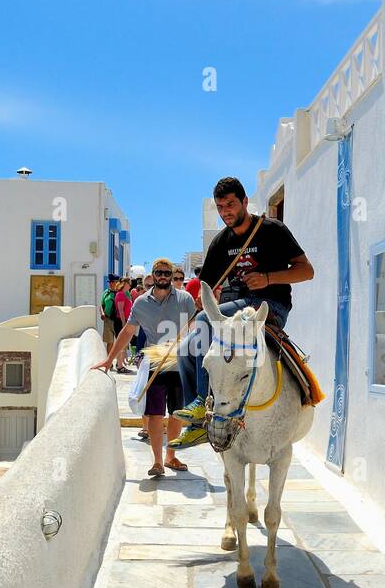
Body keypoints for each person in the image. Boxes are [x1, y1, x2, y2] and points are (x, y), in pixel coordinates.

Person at [169, 176, 314, 449]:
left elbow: (307, 271)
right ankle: (198, 425)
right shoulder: (220, 242)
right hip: (230, 311)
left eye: (231, 205)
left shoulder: (273, 230)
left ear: (244, 202)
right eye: (221, 206)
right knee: (185, 351)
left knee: (204, 321)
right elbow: (206, 285)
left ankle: (203, 402)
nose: (226, 212)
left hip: (266, 309)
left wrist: (268, 278)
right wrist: (205, 299)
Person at [92, 258, 197, 476]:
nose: (163, 276)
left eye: (167, 273)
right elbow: (127, 332)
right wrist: (109, 359)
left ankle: (171, 456)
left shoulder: (185, 299)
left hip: (179, 365)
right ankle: (158, 461)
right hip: (155, 365)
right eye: (159, 272)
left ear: (171, 276)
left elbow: (195, 329)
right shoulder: (141, 303)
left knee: (176, 414)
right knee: (155, 415)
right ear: (153, 274)